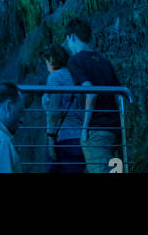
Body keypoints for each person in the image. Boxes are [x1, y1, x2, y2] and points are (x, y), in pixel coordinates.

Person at [63, 18, 122, 173]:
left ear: (73, 37)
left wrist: (85, 128)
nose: (68, 46)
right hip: (114, 129)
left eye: (68, 40)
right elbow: (118, 94)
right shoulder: (104, 61)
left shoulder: (76, 61)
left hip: (96, 128)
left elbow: (90, 91)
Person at [41, 43, 85, 173]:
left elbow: (55, 111)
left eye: (46, 61)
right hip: (80, 137)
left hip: (64, 136)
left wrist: (51, 138)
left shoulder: (55, 77)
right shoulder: (75, 75)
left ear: (51, 60)